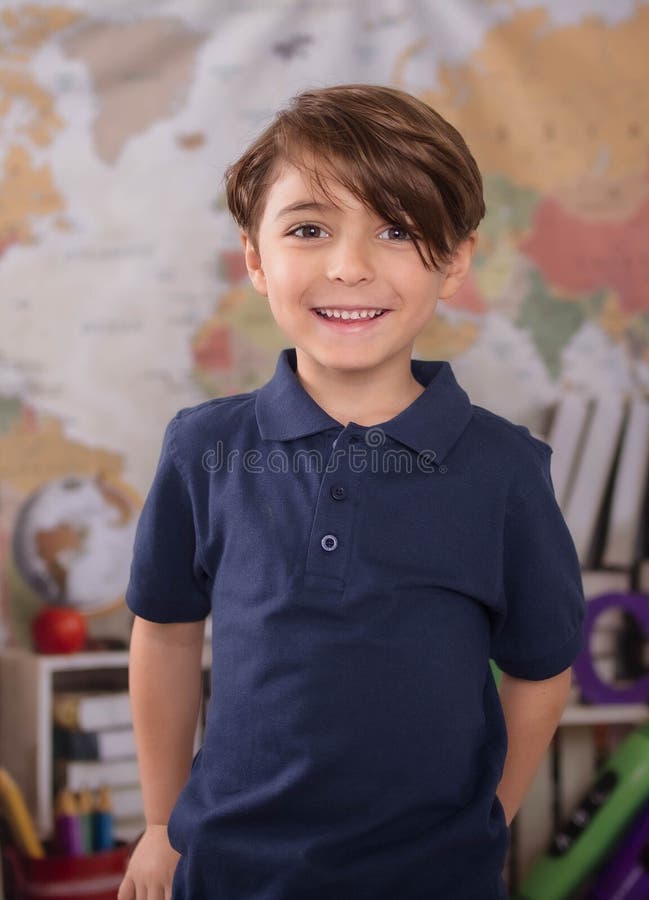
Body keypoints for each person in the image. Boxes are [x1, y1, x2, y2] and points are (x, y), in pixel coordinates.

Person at [118, 83, 586, 900]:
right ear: (256, 260)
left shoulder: (505, 471)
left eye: (396, 229)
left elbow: (541, 672)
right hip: (225, 872)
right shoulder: (203, 448)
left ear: (454, 260)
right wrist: (161, 826)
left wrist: (488, 821)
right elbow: (164, 635)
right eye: (308, 229)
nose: (349, 266)